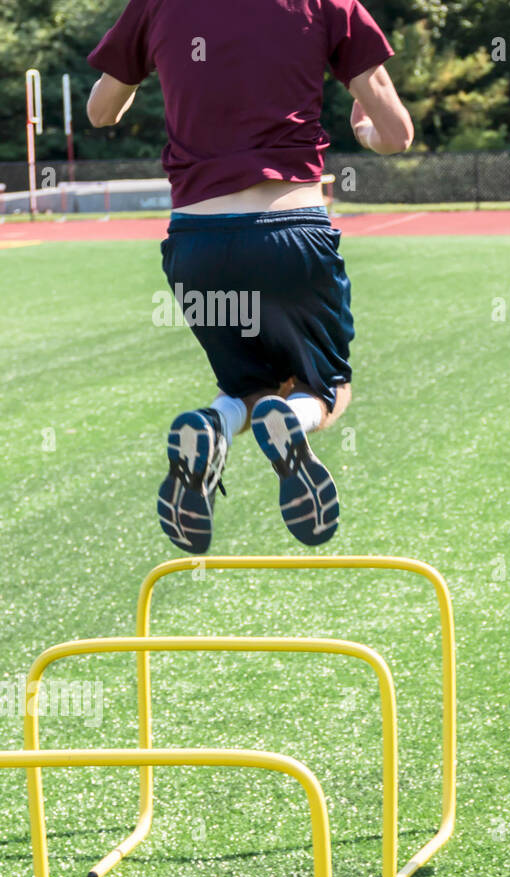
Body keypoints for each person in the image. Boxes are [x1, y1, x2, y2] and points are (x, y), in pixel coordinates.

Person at [86, 0, 414, 550]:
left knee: (247, 386)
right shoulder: (332, 5)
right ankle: (294, 415)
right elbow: (397, 132)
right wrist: (364, 129)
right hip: (290, 235)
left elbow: (101, 113)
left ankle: (214, 425)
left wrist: (158, 64)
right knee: (328, 386)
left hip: (197, 246)